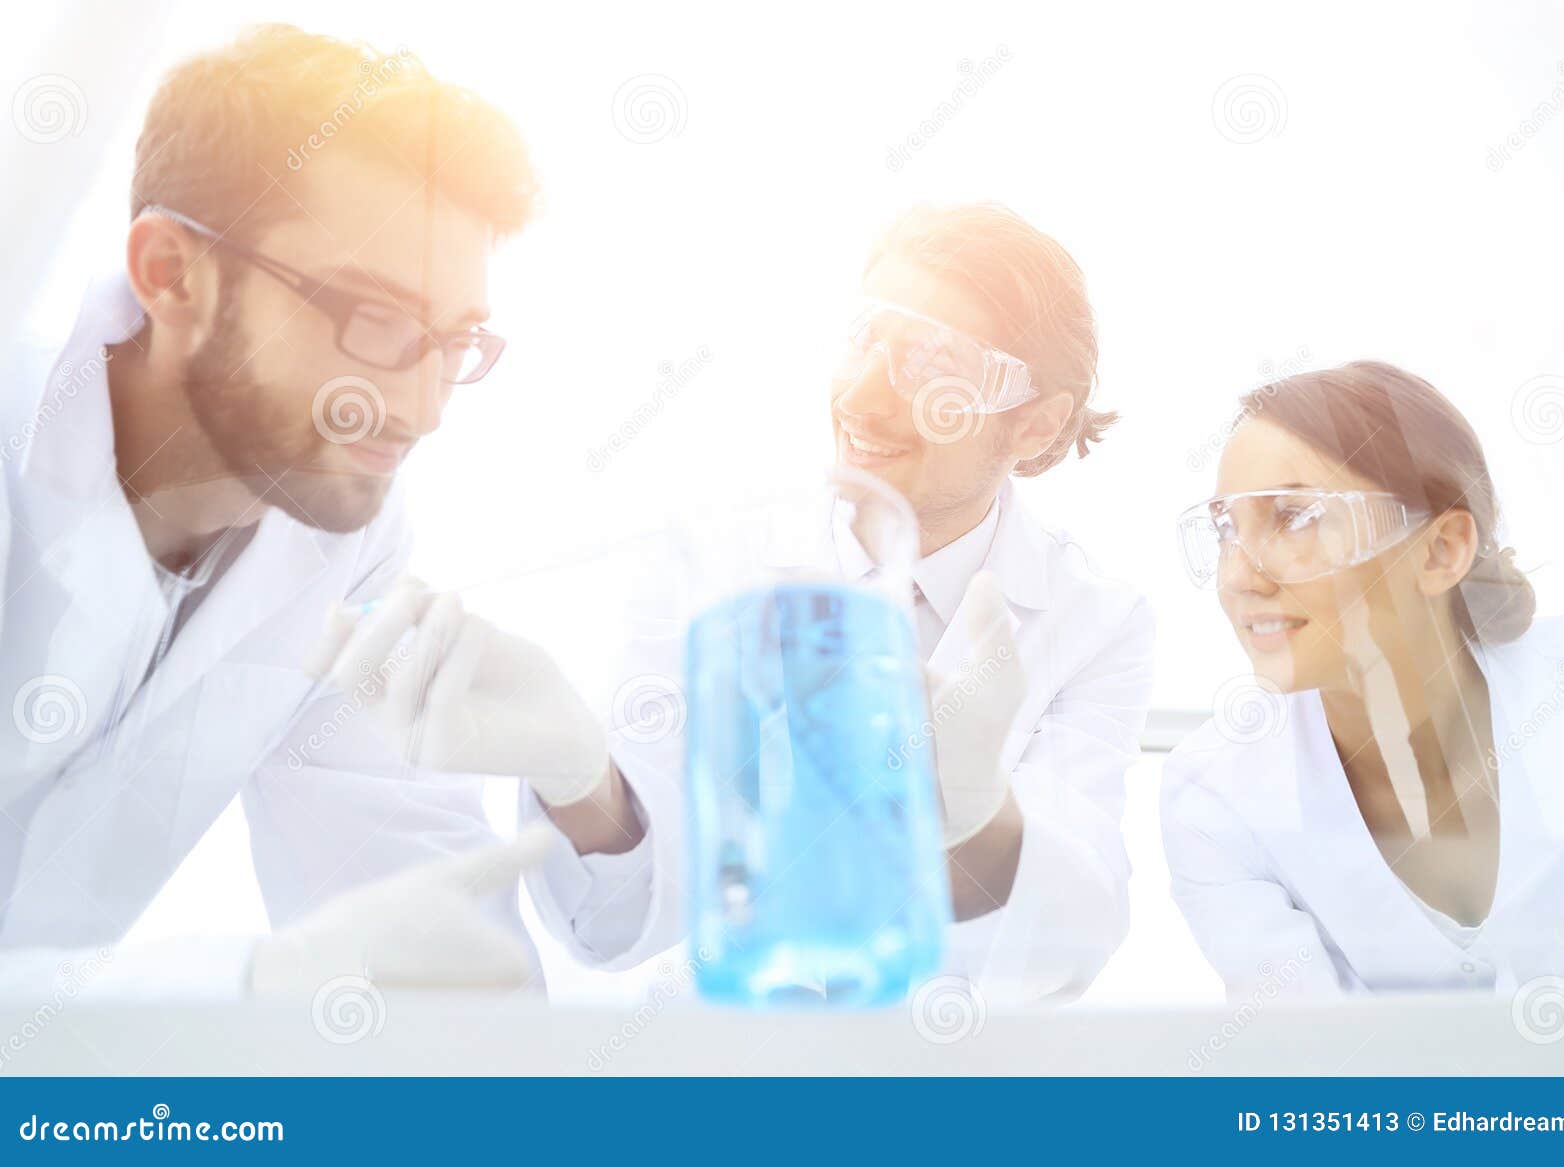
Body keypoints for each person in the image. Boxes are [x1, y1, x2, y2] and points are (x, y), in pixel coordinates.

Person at [373, 203, 1156, 1000]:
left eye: (934, 363)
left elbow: (1073, 932)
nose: (863, 394)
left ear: (1034, 425)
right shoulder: (712, 557)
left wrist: (976, 817)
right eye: (865, 339)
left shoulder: (1094, 619)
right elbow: (621, 917)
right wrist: (580, 782)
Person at [0, 26, 644, 992]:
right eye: (374, 320)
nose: (423, 412)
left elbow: (428, 953)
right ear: (171, 272)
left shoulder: (348, 545)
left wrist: (581, 776)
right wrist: (245, 991)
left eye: (454, 342)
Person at [1162, 360, 1564, 997]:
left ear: (1439, 550)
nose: (1239, 577)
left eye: (1293, 518)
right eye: (1227, 530)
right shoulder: (1214, 794)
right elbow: (1309, 1070)